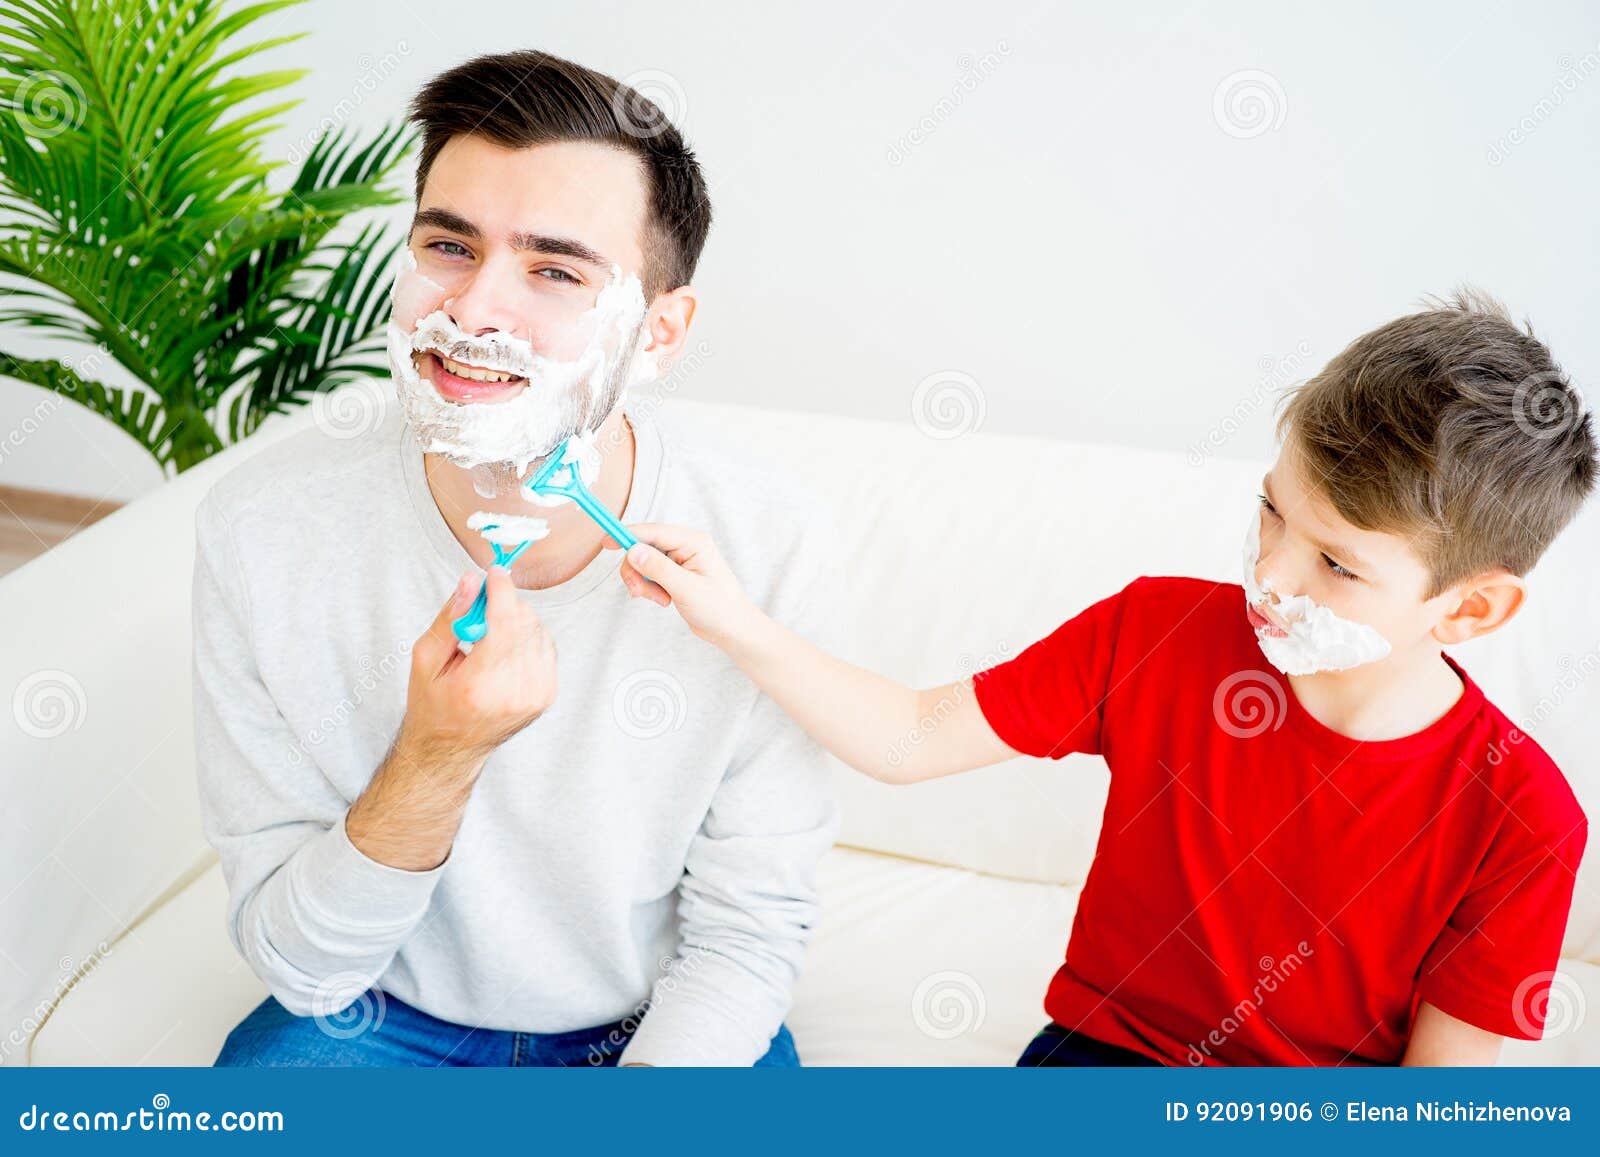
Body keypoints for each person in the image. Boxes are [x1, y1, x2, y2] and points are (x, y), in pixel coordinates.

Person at [611, 292, 1595, 1065]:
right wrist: (732, 618)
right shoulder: (1159, 630)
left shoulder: (1525, 817)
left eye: (1336, 565)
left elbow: (1448, 1100)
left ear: (1468, 610)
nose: (1269, 575)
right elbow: (909, 735)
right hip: (1102, 1060)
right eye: (1269, 514)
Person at [194, 50, 836, 1068]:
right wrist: (435, 755)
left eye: (553, 269)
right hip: (368, 1022)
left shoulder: (765, 542)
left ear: (659, 334)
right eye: (449, 245)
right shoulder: (265, 528)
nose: (474, 309)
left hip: (650, 1024)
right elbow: (303, 968)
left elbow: (743, 937)